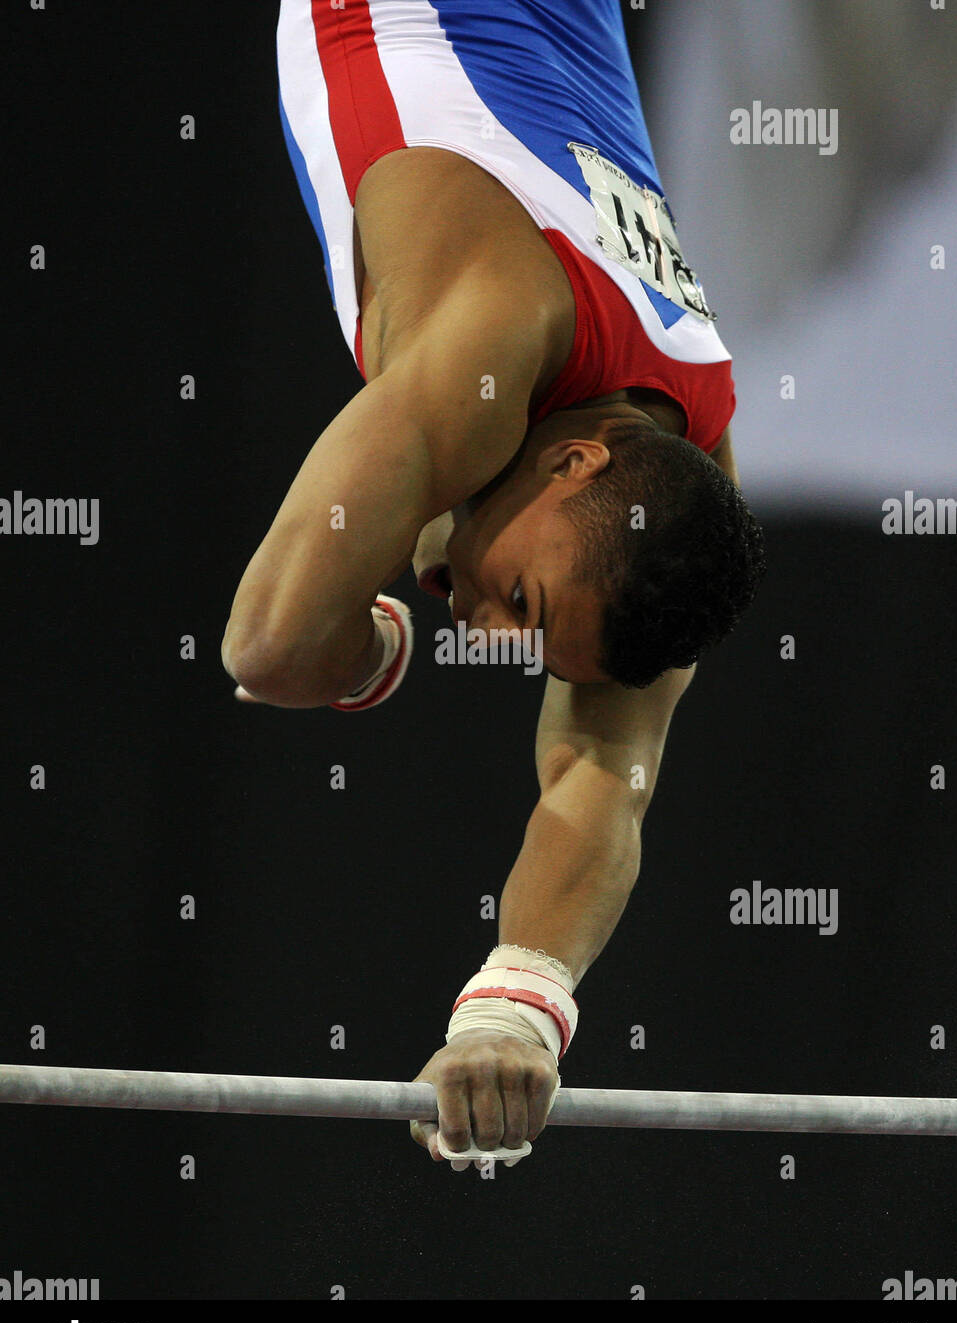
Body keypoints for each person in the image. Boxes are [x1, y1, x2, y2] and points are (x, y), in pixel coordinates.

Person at [222, 0, 766, 1169]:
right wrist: (369, 651)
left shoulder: (689, 460)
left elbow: (600, 784)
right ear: (576, 461)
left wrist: (516, 1008)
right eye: (520, 605)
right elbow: (268, 646)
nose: (476, 623)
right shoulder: (493, 333)